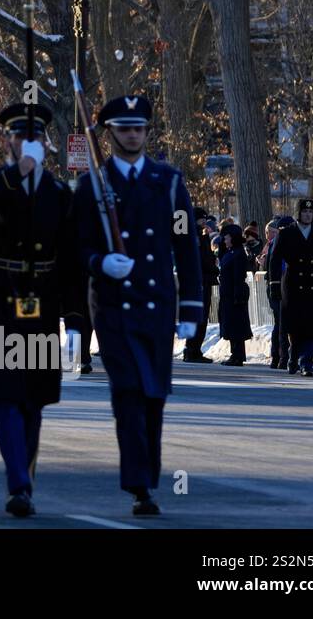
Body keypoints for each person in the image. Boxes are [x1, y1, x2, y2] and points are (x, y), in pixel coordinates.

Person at [72, 94, 204, 516]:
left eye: (139, 128)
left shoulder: (168, 182)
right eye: (124, 129)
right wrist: (99, 261)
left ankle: (148, 474)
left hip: (157, 303)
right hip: (112, 307)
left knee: (154, 395)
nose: (132, 135)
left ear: (147, 132)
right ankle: (139, 485)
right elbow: (75, 245)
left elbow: (187, 248)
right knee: (128, 391)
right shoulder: (92, 184)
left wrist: (191, 309)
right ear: (109, 134)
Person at [0, 102, 86, 517]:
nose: (26, 144)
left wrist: (74, 319)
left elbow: (71, 261)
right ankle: (18, 480)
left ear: (45, 143)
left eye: (34, 137)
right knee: (3, 394)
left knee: (32, 401)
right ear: (9, 142)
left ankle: (24, 478)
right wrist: (15, 176)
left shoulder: (58, 194)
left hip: (40, 305)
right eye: (19, 137)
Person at [267, 199, 313, 378]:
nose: (308, 215)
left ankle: (308, 363)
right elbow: (274, 260)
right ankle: (293, 357)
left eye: (311, 213)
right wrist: (274, 285)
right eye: (304, 212)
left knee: (311, 327)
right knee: (294, 326)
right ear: (299, 213)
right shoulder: (287, 233)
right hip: (292, 285)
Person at [257, 217, 293, 370]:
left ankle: (279, 357)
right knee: (282, 324)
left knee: (281, 324)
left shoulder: (274, 244)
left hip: (279, 287)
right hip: (279, 287)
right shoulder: (275, 244)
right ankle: (282, 357)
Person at [183, 210, 219, 363]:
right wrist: (213, 268)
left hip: (203, 280)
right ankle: (192, 350)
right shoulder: (194, 237)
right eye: (201, 219)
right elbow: (202, 260)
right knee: (199, 316)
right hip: (200, 281)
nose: (204, 222)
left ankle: (194, 349)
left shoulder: (201, 237)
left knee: (201, 317)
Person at [216, 223, 252, 365]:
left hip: (234, 294)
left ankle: (237, 355)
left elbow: (238, 276)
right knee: (230, 325)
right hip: (227, 295)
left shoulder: (238, 253)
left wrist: (238, 295)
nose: (224, 240)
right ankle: (234, 354)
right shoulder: (230, 252)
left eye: (227, 237)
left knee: (236, 326)